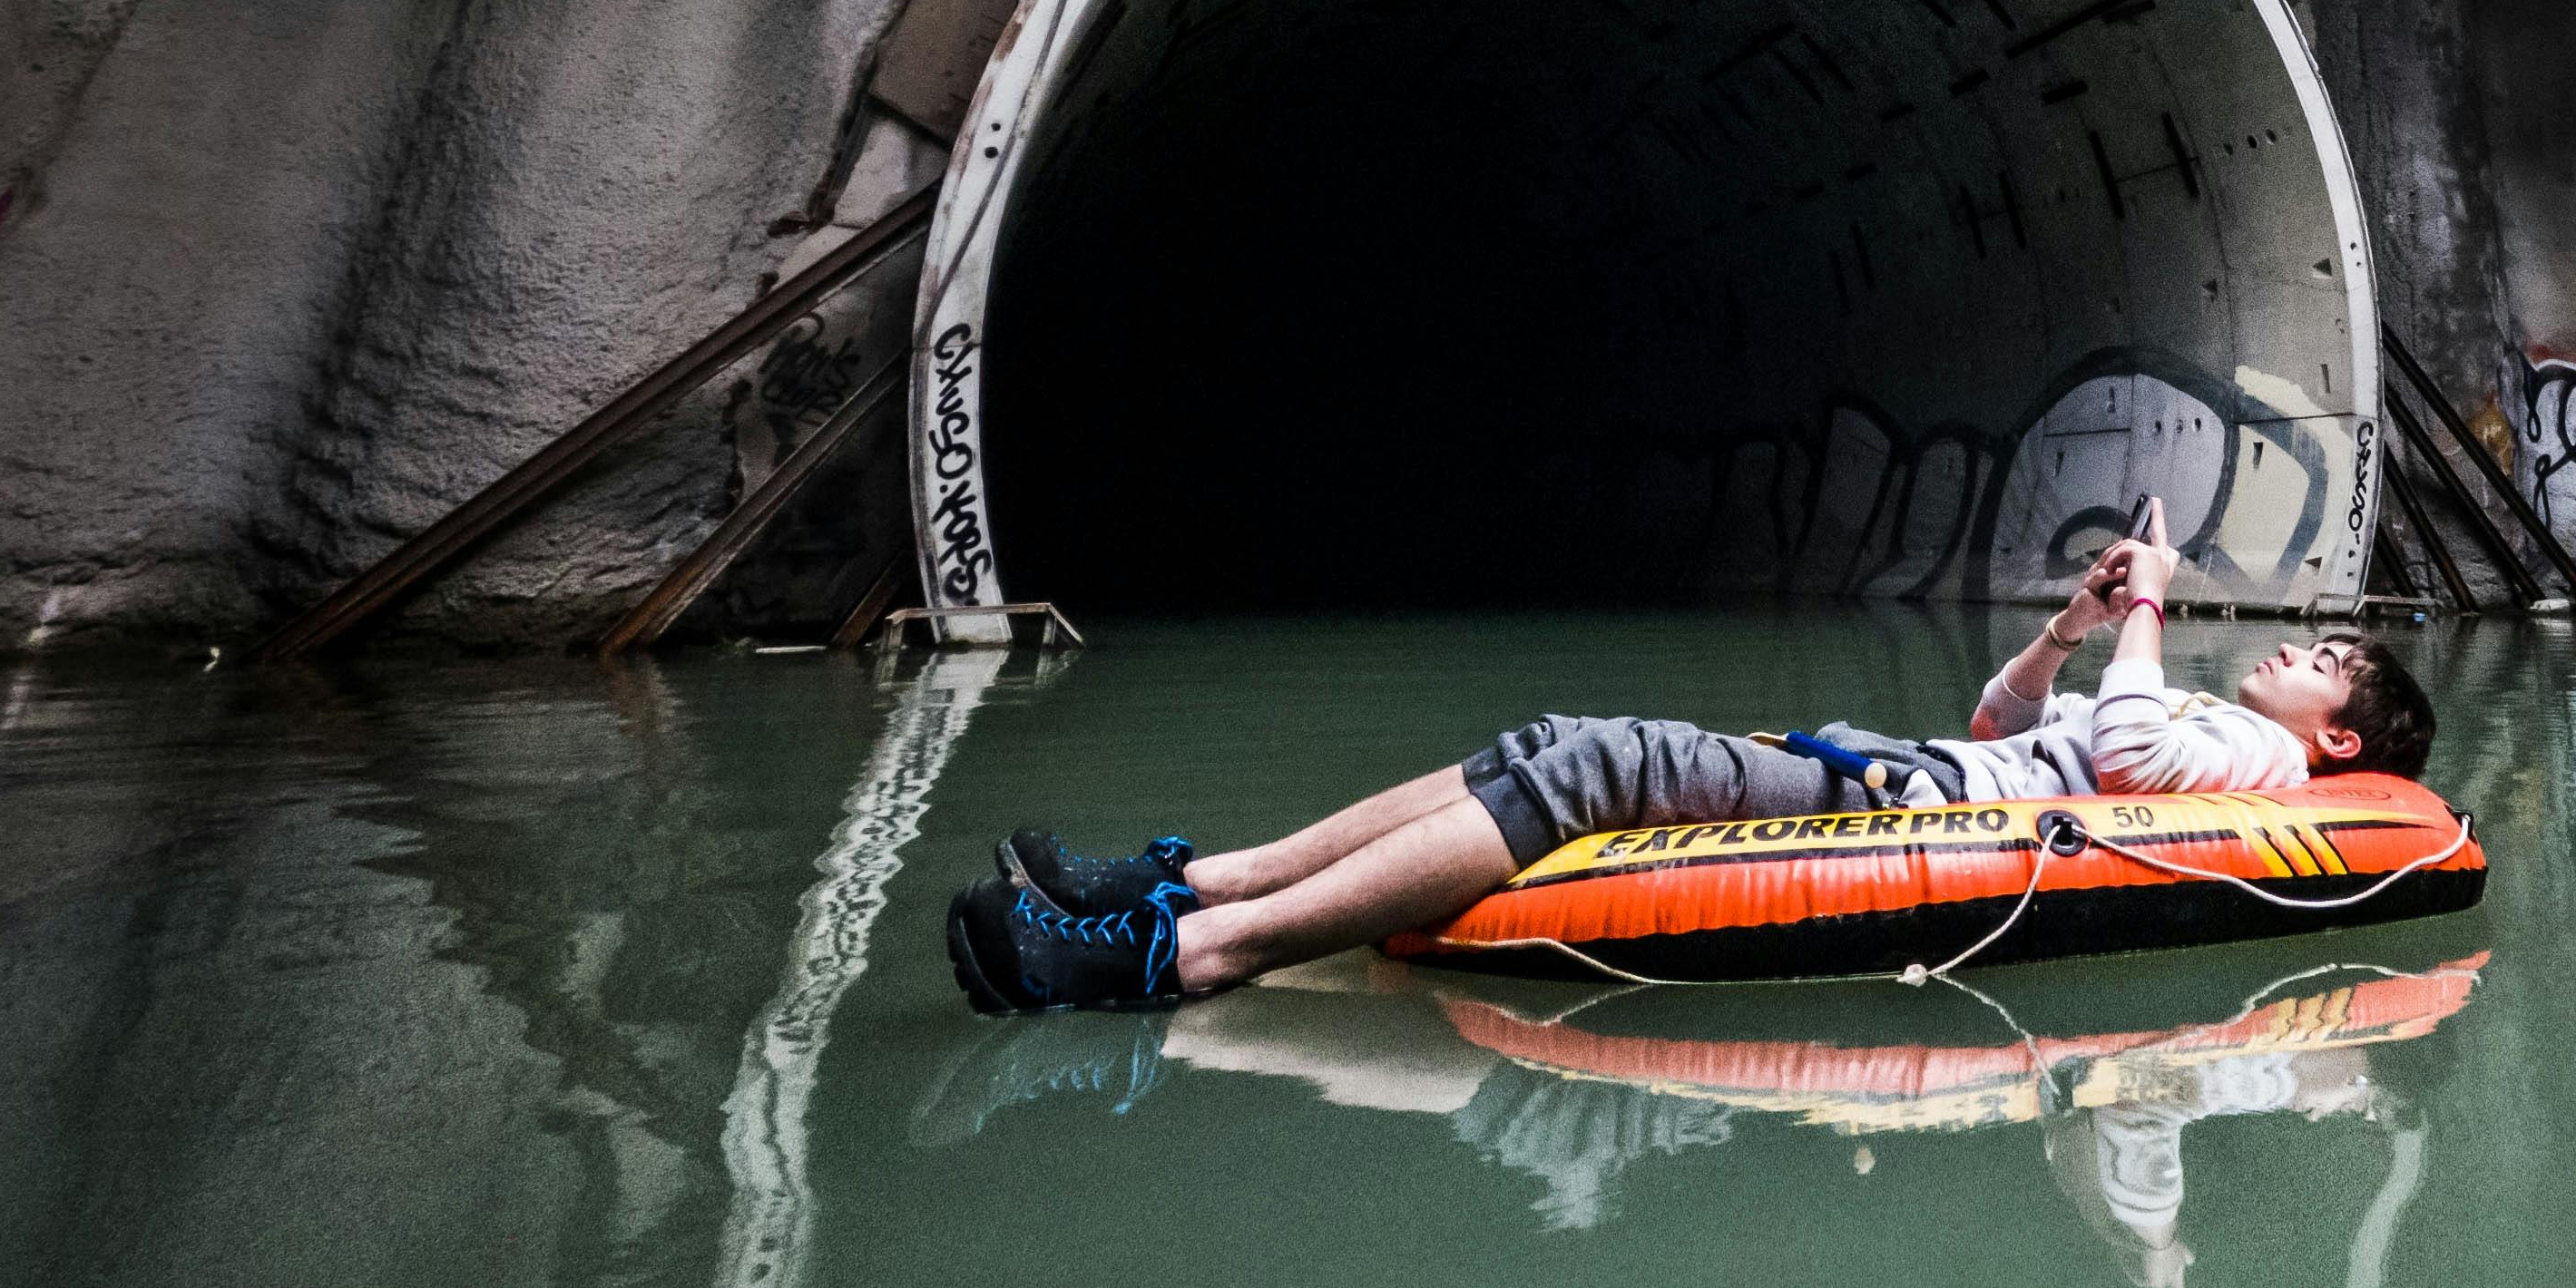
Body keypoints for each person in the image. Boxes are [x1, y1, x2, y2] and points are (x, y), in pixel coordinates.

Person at [945, 525, 2434, 1014]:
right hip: (1924, 767)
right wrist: (2074, 625)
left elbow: (2119, 749)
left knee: (1592, 758)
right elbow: (2008, 722)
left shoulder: (2258, 755)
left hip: (1909, 810)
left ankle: (1185, 954)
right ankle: (1193, 874)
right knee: (1546, 746)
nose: (2295, 650)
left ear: (2340, 735)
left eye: (2323, 663)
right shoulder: (2221, 724)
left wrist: (2157, 614)